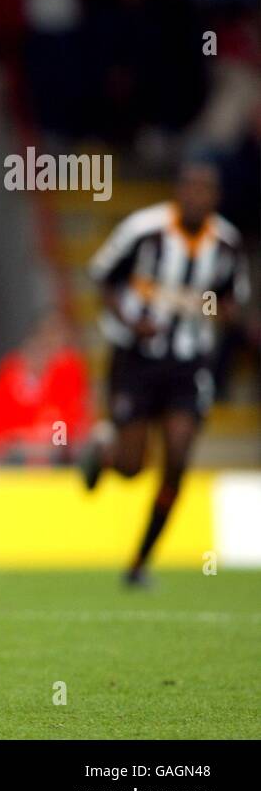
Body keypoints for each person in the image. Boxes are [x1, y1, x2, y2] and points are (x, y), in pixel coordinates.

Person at [80, 160, 248, 586]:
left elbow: (229, 299)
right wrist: (130, 320)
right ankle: (105, 450)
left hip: (189, 363)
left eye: (205, 189)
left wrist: (222, 313)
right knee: (133, 467)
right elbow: (102, 277)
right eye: (189, 187)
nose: (196, 196)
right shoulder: (144, 230)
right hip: (137, 357)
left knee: (177, 457)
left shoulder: (226, 243)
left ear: (216, 197)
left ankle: (139, 563)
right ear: (178, 191)